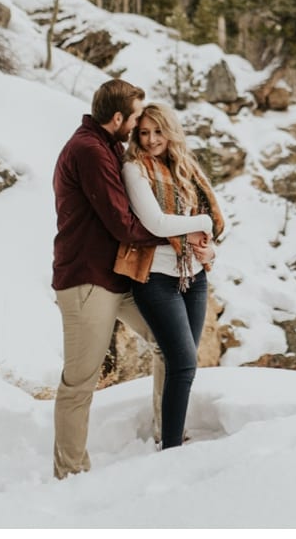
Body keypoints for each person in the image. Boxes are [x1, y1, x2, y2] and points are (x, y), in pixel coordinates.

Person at [51, 79, 213, 479]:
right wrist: (183, 232)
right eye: (137, 117)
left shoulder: (107, 146)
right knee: (79, 381)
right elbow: (125, 225)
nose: (142, 125)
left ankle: (168, 433)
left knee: (170, 347)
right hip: (87, 281)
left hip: (116, 278)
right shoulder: (89, 151)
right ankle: (70, 473)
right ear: (119, 117)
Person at [117, 103, 227, 450]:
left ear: (171, 131)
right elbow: (156, 223)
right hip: (157, 276)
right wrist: (201, 225)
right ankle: (171, 448)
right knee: (182, 363)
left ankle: (170, 435)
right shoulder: (135, 169)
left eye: (158, 132)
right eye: (144, 133)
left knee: (184, 362)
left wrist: (211, 251)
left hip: (194, 276)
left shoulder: (185, 166)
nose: (151, 140)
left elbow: (216, 219)